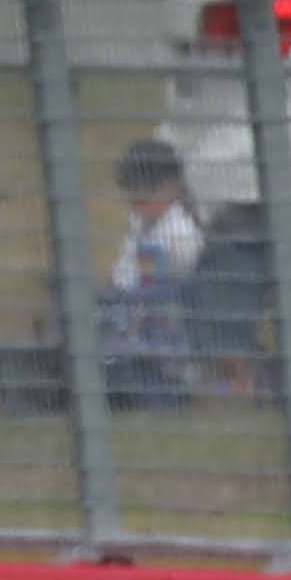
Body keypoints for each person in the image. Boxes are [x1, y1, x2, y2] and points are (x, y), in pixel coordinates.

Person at [101, 138, 205, 407]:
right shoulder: (141, 223)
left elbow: (153, 289)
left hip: (165, 328)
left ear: (172, 189)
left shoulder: (180, 235)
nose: (135, 206)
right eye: (132, 197)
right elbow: (122, 276)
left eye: (144, 196)